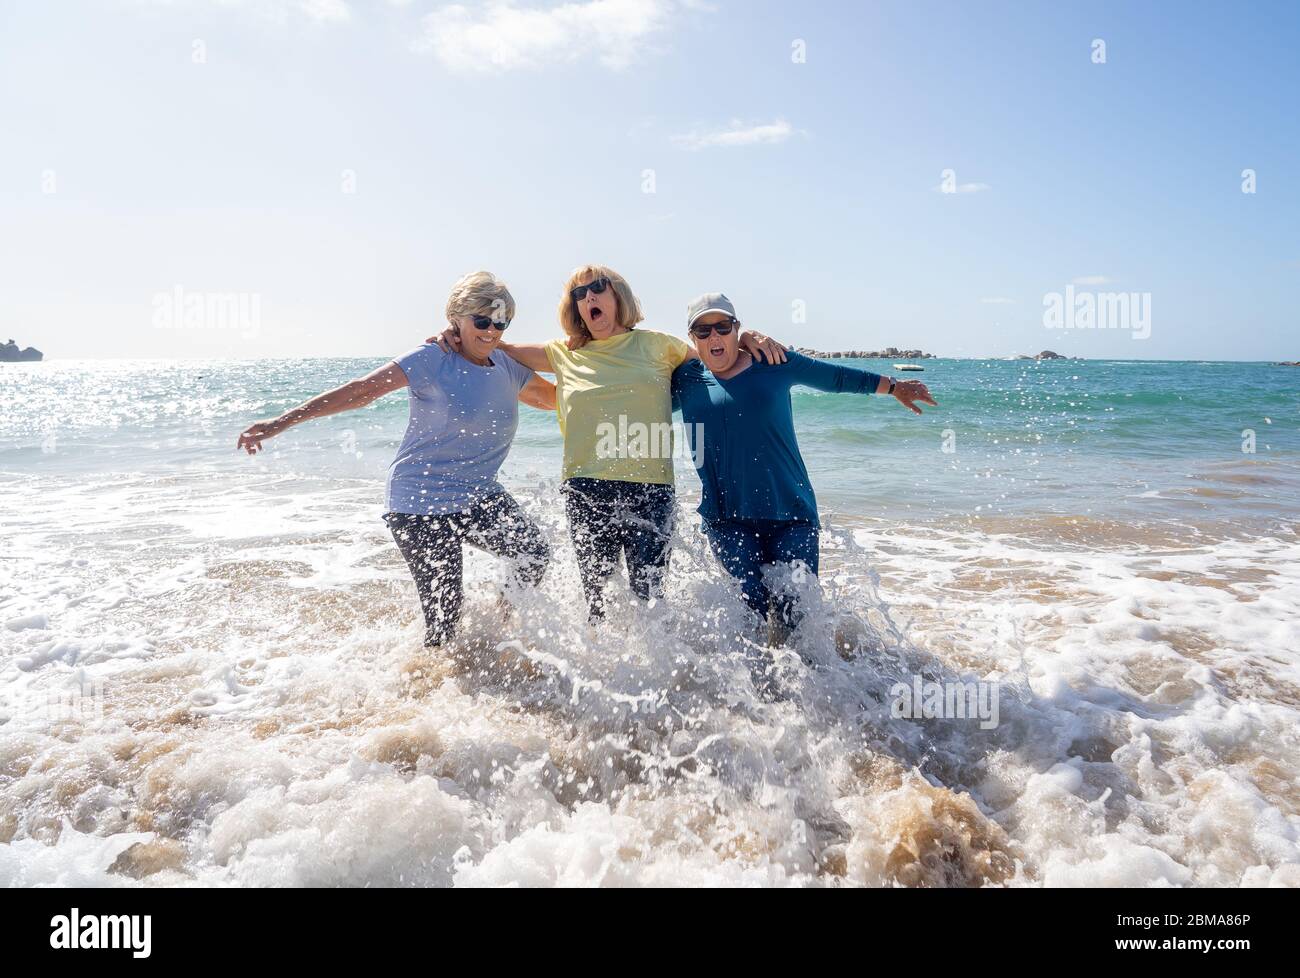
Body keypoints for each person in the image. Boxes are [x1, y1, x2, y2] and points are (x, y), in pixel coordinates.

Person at [433, 265, 786, 621]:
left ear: (617, 295)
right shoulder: (563, 353)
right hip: (586, 491)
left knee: (651, 605)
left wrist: (747, 338)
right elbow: (494, 344)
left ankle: (655, 674)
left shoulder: (658, 345)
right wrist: (453, 333)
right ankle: (596, 671)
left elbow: (719, 359)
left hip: (651, 490)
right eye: (579, 294)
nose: (589, 297)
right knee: (598, 603)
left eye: (597, 287)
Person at [237, 271, 557, 648]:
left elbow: (559, 401)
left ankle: (501, 632)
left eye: (500, 322)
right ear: (456, 318)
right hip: (420, 503)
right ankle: (430, 685)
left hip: (478, 494)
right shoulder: (432, 359)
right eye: (481, 321)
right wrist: (280, 422)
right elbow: (360, 391)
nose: (491, 331)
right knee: (445, 619)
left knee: (532, 552)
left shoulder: (508, 367)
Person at [672, 292, 937, 638]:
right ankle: (752, 692)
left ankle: (813, 689)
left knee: (796, 619)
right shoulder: (686, 380)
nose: (714, 337)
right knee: (746, 616)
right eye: (703, 331)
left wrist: (893, 386)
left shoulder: (773, 362)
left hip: (792, 517)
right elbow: (636, 394)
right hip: (727, 520)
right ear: (692, 339)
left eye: (722, 326)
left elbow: (834, 378)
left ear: (737, 329)